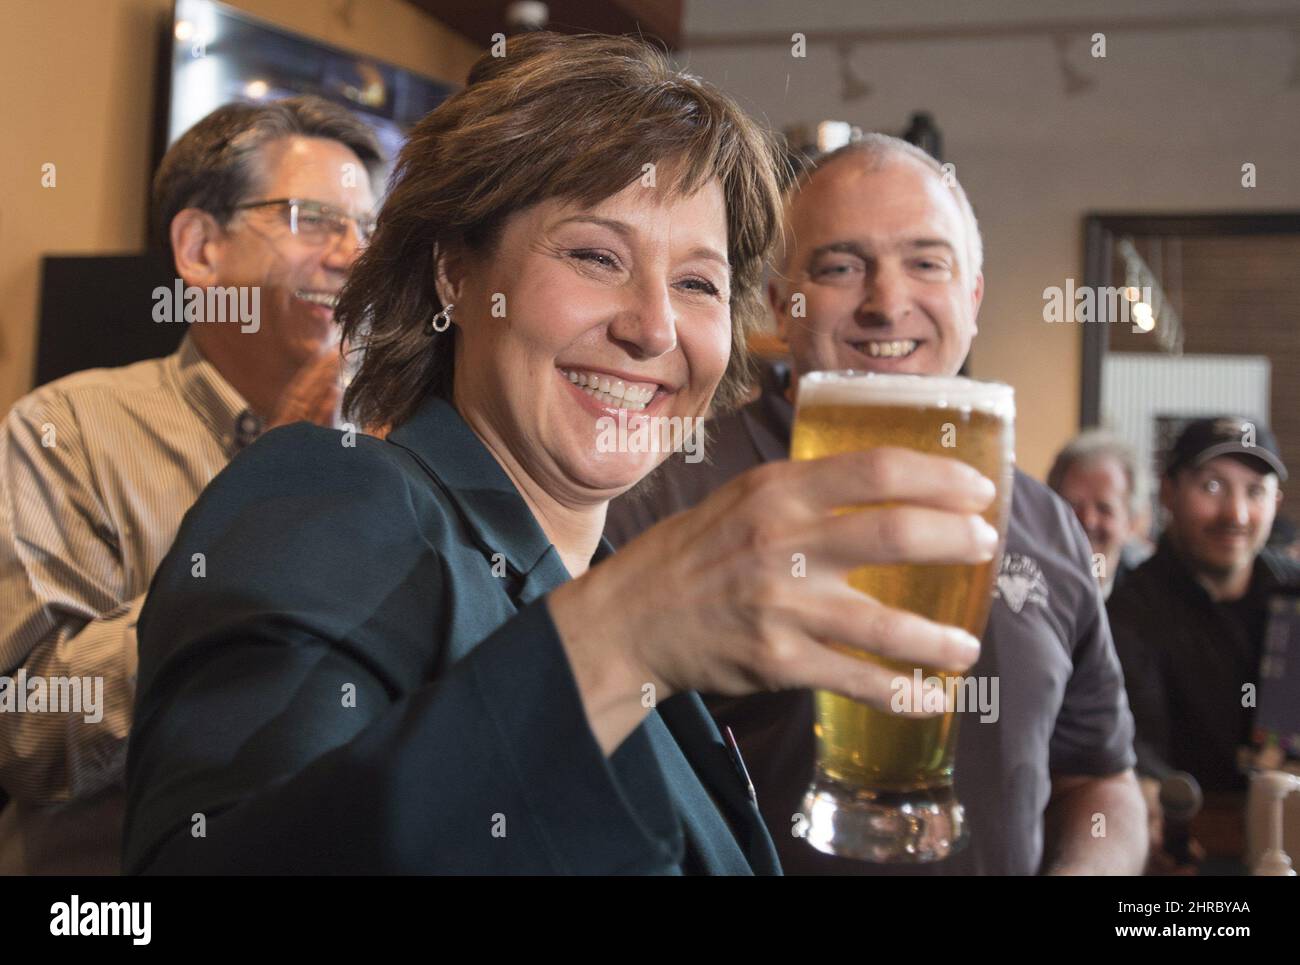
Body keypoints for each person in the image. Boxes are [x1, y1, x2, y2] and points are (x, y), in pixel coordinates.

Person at [121, 33, 999, 875]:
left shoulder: (600, 583)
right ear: (454, 274)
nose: (653, 326)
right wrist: (620, 639)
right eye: (594, 255)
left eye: (697, 282)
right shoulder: (333, 498)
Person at [607, 134, 1146, 875]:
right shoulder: (662, 487)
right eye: (840, 266)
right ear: (780, 305)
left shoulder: (1046, 519)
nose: (887, 303)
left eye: (927, 263)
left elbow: (1101, 777)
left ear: (973, 296)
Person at [0, 96, 380, 874]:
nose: (356, 256)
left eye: (369, 230)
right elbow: (29, 730)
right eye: (315, 219)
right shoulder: (69, 428)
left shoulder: (402, 441)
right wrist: (268, 515)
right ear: (201, 247)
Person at [1108, 417, 1298, 870]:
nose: (1235, 514)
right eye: (1212, 488)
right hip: (1190, 849)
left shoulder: (1292, 594)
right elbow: (1135, 751)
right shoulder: (1131, 612)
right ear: (1169, 494)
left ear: (1276, 502)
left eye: (1254, 492)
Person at [1047, 429, 1150, 598]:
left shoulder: (1150, 597)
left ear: (1131, 523)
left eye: (1104, 508)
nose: (1088, 521)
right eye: (1072, 505)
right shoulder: (1026, 582)